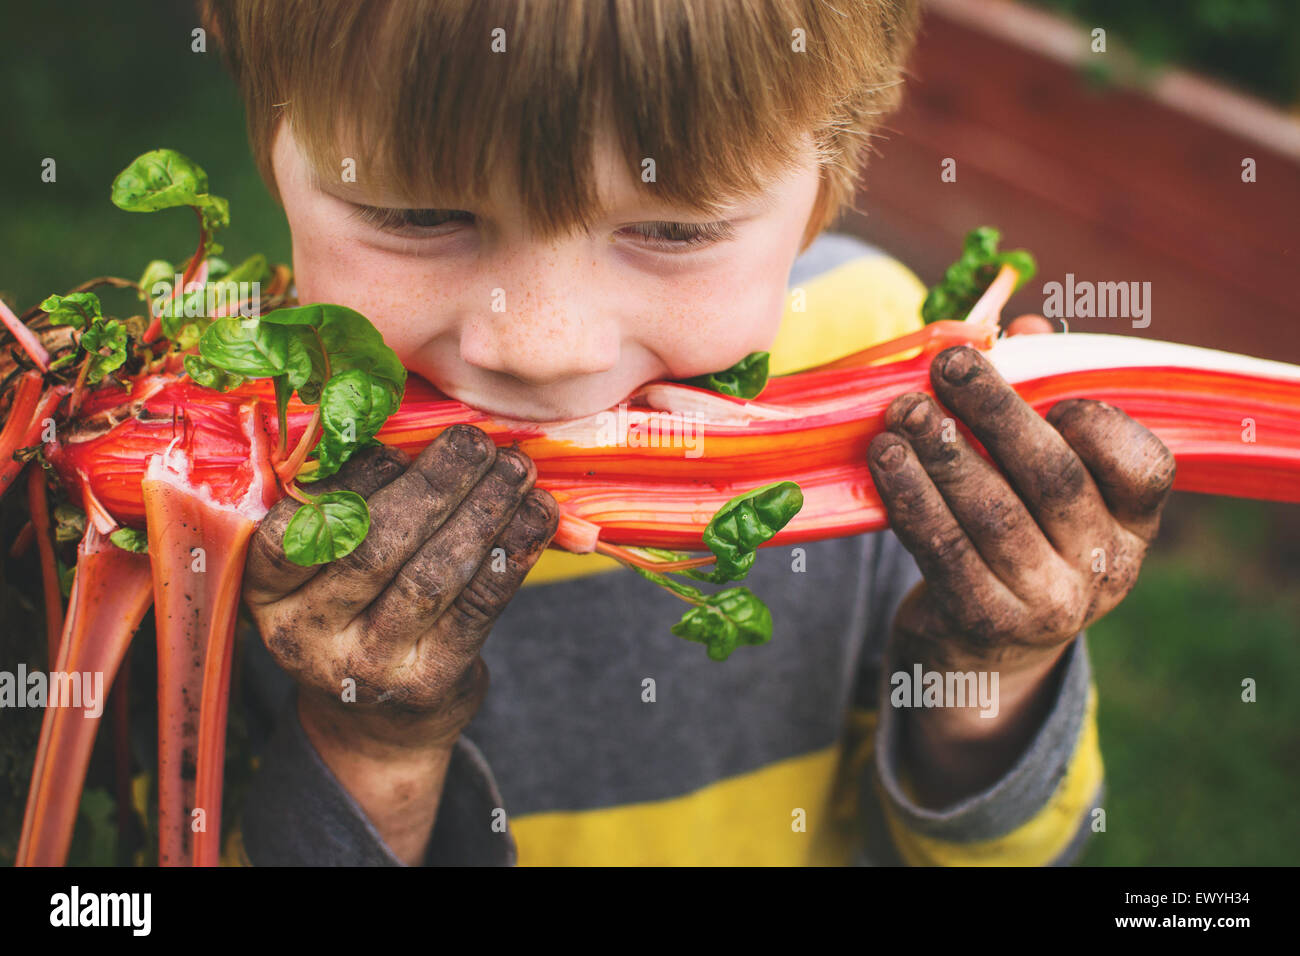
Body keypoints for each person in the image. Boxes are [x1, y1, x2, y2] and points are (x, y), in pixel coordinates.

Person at [199, 0, 1176, 865]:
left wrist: (988, 675)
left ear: (826, 177)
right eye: (415, 213)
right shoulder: (214, 470)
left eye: (671, 229)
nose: (545, 346)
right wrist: (367, 748)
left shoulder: (886, 384)